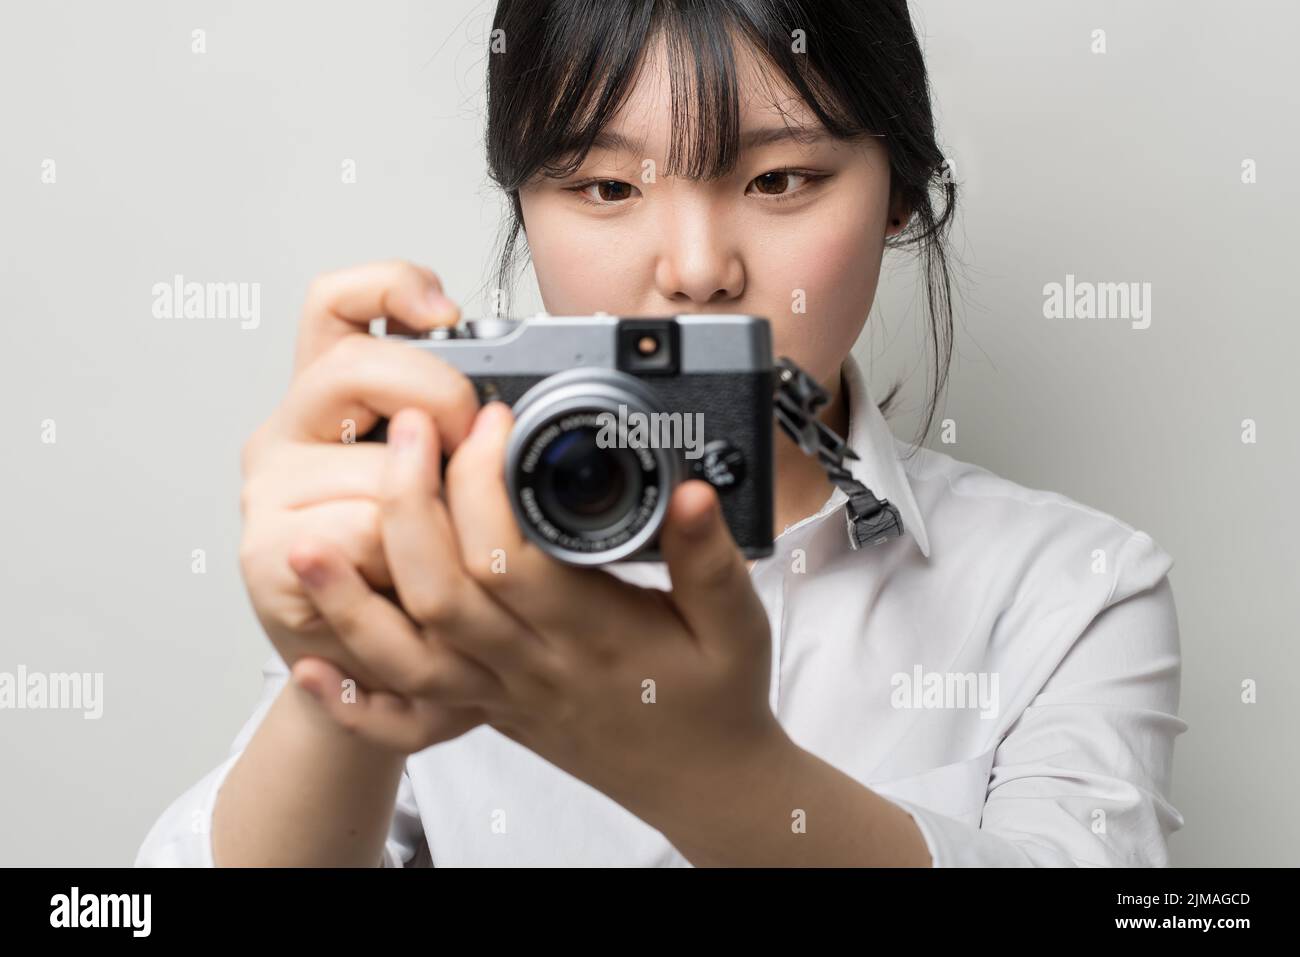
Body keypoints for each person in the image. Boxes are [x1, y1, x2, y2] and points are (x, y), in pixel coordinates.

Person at [136, 0, 1186, 867]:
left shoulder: (1072, 589)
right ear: (526, 204)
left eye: (779, 179)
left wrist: (721, 775)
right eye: (606, 187)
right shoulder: (433, 546)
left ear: (900, 192)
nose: (694, 270)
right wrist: (339, 684)